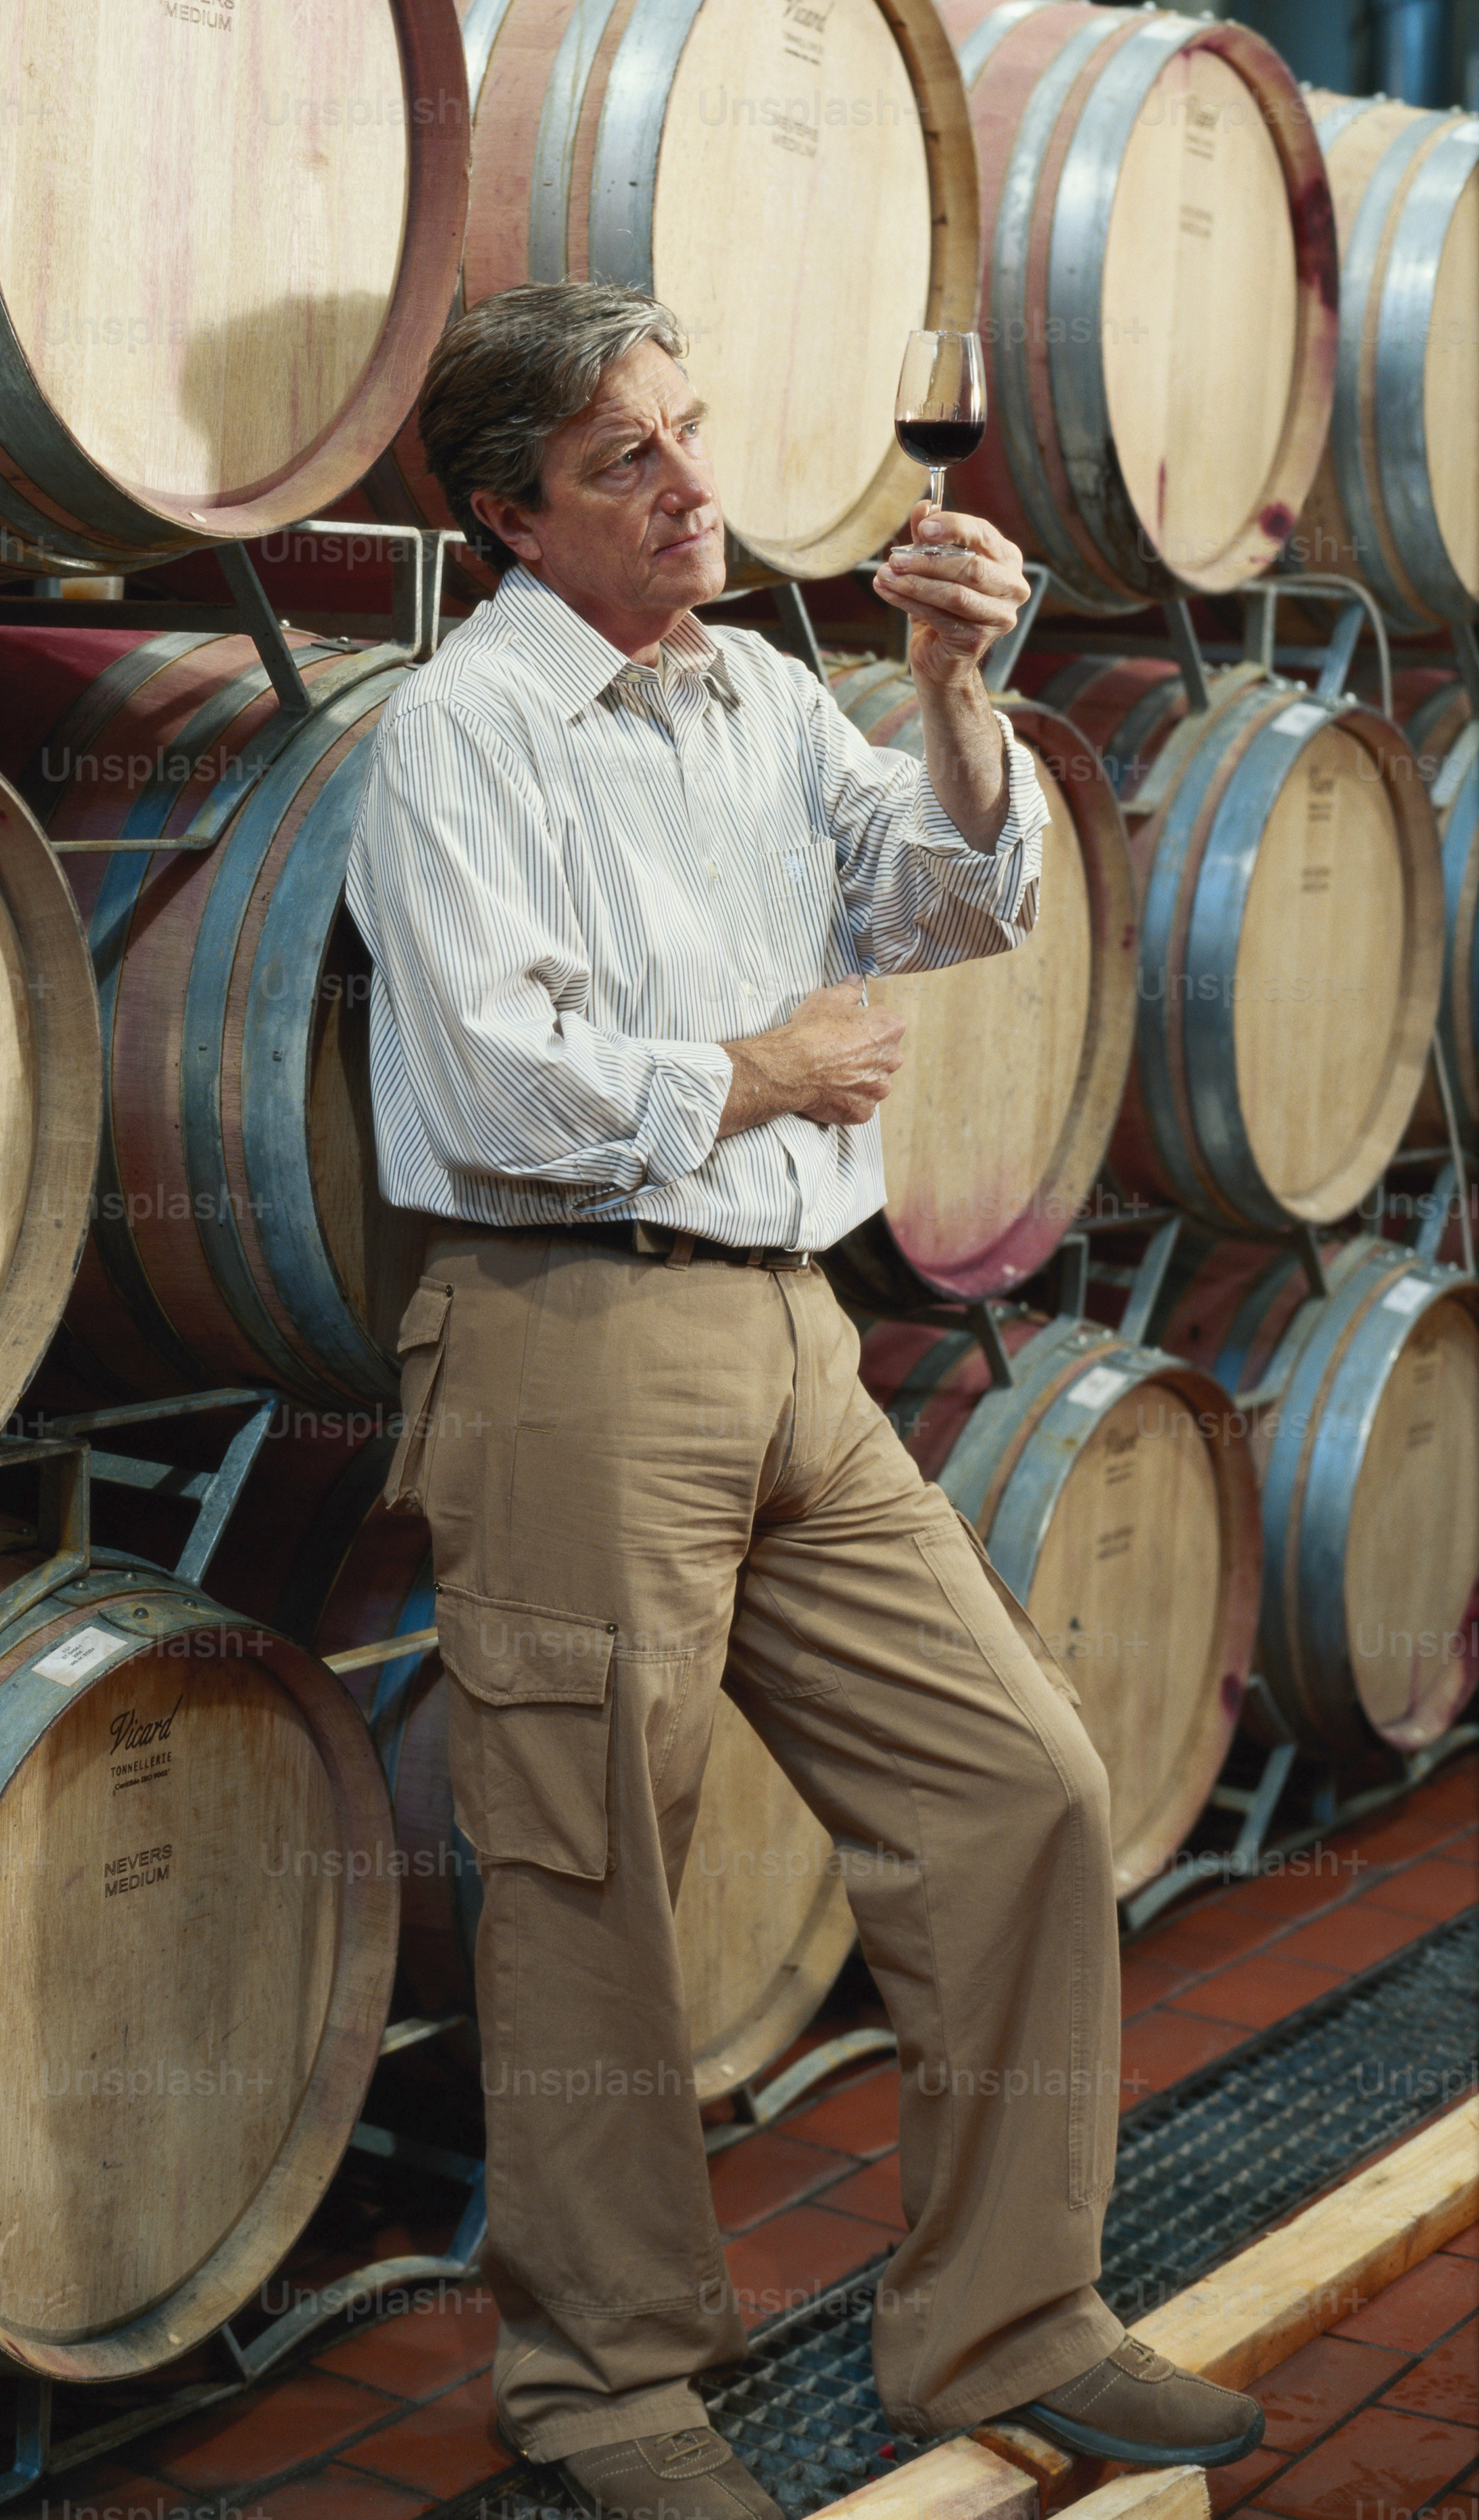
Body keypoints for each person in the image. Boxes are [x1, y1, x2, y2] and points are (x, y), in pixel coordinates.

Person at [343, 282, 1265, 2520]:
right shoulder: (461, 734)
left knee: (1016, 1786)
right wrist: (758, 1066)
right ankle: (601, 2382)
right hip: (567, 1340)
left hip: (787, 1332)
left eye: (687, 431)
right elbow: (483, 1079)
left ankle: (1006, 2310)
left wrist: (954, 688)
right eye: (624, 466)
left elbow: (954, 898)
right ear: (508, 519)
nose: (690, 489)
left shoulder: (759, 686)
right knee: (594, 1879)